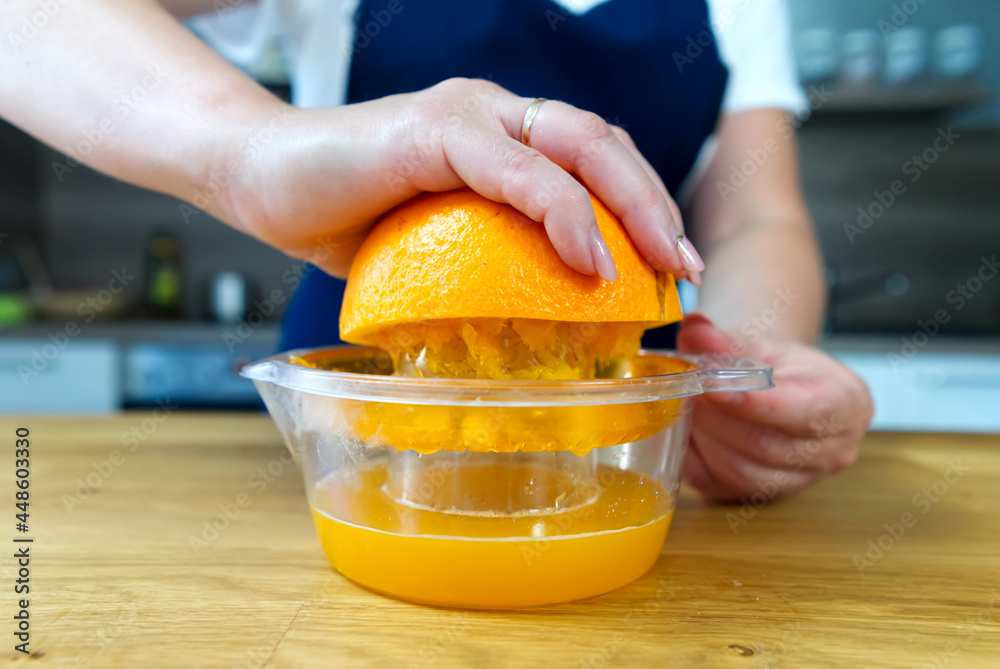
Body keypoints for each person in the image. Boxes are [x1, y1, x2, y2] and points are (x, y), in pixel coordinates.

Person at [0, 0, 872, 502]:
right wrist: (248, 155)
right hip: (360, 454)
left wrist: (753, 359)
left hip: (613, 455)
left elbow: (756, 215)